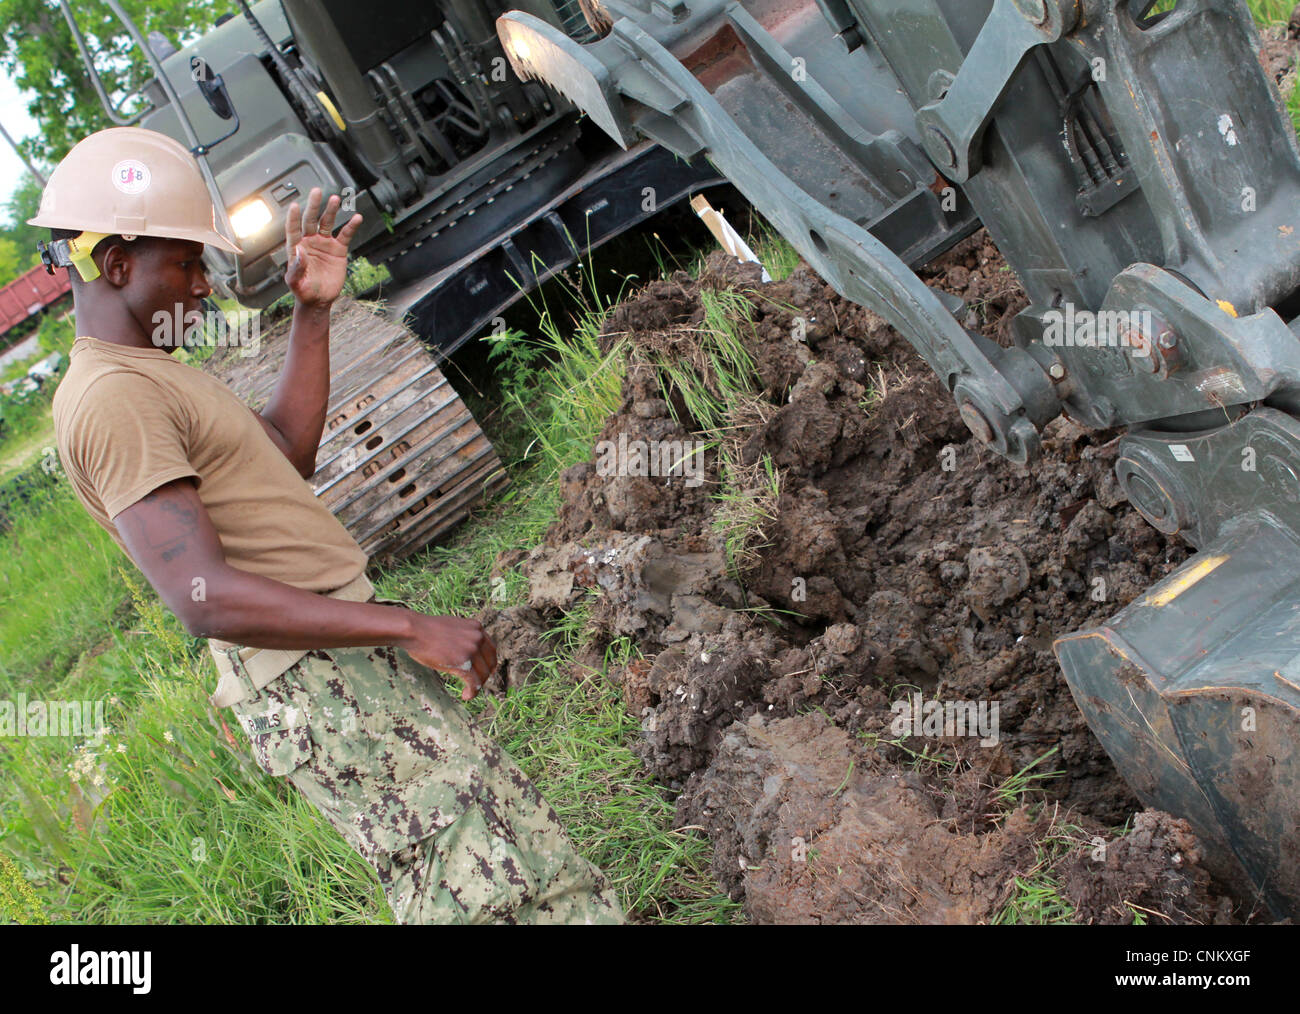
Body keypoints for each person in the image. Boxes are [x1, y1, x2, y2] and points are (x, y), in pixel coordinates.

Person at [34, 125, 624, 925]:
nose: (205, 287)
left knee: (516, 857)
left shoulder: (153, 372)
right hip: (318, 681)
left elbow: (282, 456)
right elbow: (201, 596)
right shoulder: (113, 398)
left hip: (336, 657)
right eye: (187, 263)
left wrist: (312, 315)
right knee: (482, 893)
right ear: (115, 264)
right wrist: (403, 624)